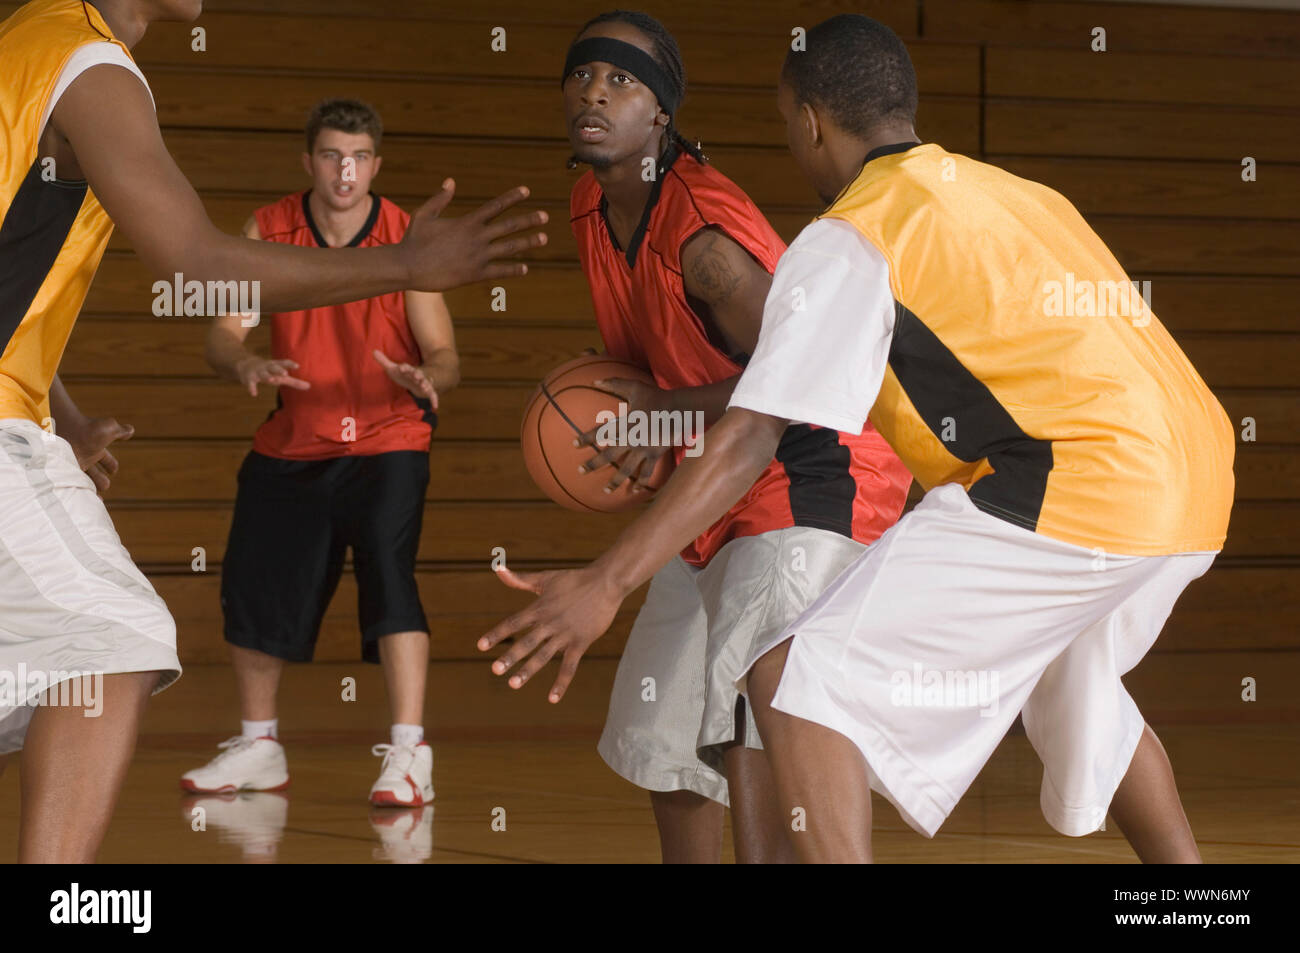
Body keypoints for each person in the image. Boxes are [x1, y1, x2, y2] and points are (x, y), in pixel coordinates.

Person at [480, 14, 1233, 864]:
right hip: (1195, 479)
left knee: (792, 677)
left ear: (807, 123)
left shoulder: (850, 236)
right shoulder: (1017, 193)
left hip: (1071, 484)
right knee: (1079, 685)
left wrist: (605, 582)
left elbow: (751, 432)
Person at [0, 0, 545, 863]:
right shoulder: (87, 65)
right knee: (108, 639)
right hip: (248, 446)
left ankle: (405, 745)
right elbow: (195, 262)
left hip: (379, 445)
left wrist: (61, 414)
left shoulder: (24, 46)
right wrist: (405, 264)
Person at [525, 11, 909, 863]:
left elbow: (804, 376)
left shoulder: (702, 237)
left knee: (764, 751)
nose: (595, 91)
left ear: (661, 114)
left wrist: (661, 416)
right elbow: (657, 370)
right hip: (715, 489)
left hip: (807, 476)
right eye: (583, 76)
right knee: (661, 740)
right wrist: (629, 416)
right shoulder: (593, 201)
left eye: (622, 80)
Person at [181, 99, 456, 807]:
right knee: (251, 583)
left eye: (359, 157)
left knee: (391, 579)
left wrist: (431, 378)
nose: (345, 170)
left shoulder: (403, 237)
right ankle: (261, 745)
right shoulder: (267, 229)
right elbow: (223, 331)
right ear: (309, 161)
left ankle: (407, 751)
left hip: (389, 437)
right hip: (294, 439)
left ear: (376, 164)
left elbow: (445, 351)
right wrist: (240, 360)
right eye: (332, 155)